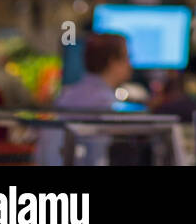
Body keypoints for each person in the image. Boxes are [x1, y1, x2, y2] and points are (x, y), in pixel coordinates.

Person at [35, 32, 132, 166]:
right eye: (127, 57)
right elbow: (97, 158)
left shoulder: (70, 93)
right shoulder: (102, 102)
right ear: (112, 62)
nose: (130, 64)